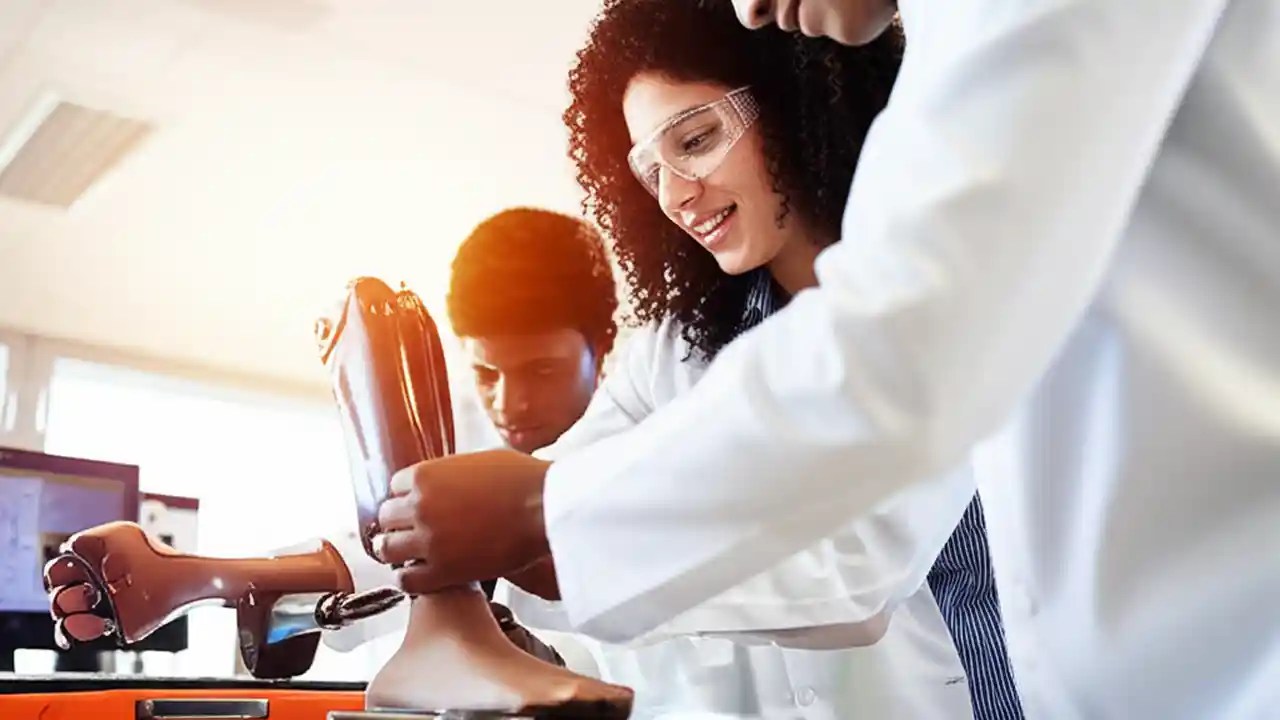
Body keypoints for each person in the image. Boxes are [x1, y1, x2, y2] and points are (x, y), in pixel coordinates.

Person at [371, 0, 1280, 718]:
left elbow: (866, 510)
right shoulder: (698, 342)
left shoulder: (940, 207)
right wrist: (400, 548)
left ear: (803, 99)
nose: (749, 7)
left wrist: (542, 512)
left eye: (695, 140)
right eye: (651, 171)